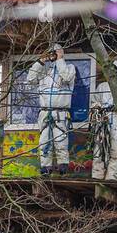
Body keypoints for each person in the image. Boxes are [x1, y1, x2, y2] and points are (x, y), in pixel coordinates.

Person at [26, 44, 77, 175]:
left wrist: (60, 59)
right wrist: (40, 61)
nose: (52, 56)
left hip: (60, 112)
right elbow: (30, 80)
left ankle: (63, 171)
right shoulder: (43, 71)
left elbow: (66, 77)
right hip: (44, 112)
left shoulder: (69, 68)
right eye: (50, 53)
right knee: (44, 143)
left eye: (54, 53)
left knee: (61, 142)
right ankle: (45, 170)